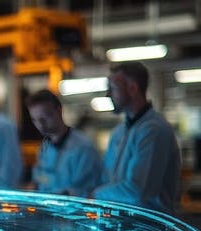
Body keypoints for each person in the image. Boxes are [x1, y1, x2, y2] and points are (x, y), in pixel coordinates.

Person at [91, 62, 181, 215]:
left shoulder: (154, 130)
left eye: (113, 88)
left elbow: (137, 190)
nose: (108, 94)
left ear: (132, 88)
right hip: (123, 227)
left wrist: (95, 194)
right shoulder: (119, 132)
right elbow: (106, 179)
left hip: (150, 230)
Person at [25, 89, 102, 198]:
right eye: (35, 119)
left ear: (59, 110)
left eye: (44, 117)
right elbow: (38, 181)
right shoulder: (45, 147)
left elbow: (86, 192)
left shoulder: (83, 149)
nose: (40, 124)